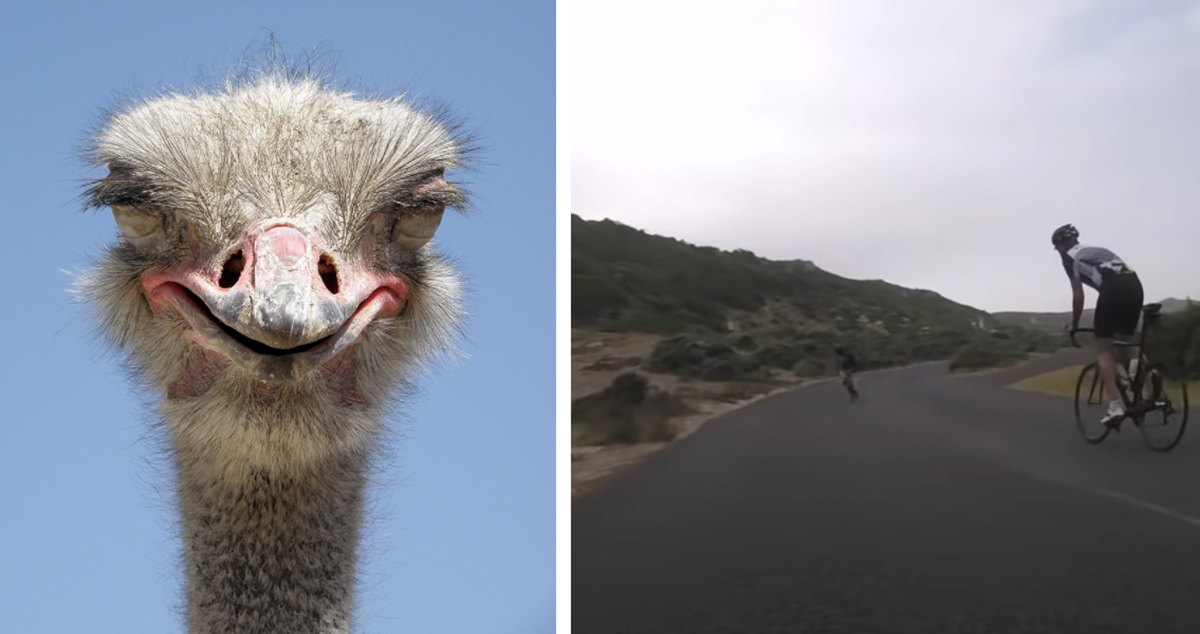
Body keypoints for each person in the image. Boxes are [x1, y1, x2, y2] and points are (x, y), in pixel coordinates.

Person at [1051, 224, 1144, 426]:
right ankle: (1143, 379)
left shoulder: (1069, 258)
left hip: (1112, 290)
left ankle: (1114, 406)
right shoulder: (1099, 250)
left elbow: (1078, 295)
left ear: (1059, 247)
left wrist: (1074, 324)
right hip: (1135, 286)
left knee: (1103, 348)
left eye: (1057, 249)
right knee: (1126, 344)